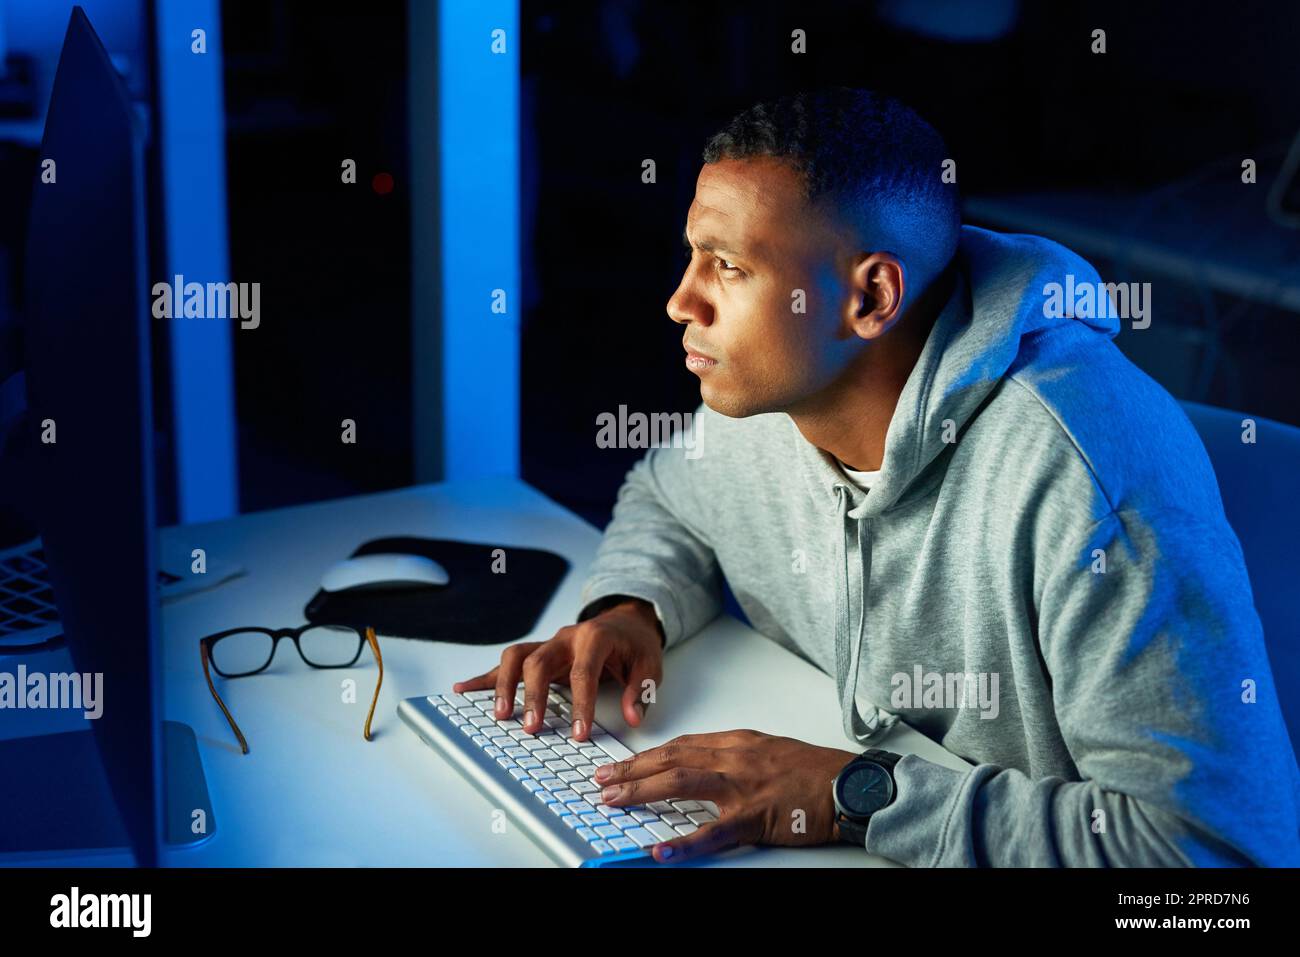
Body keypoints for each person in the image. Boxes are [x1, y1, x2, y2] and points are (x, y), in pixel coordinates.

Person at [456, 88, 1300, 867]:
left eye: (730, 267)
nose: (681, 301)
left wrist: (853, 793)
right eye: (693, 256)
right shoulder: (780, 395)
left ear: (871, 298)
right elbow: (665, 493)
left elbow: (1218, 863)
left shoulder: (1079, 473)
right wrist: (632, 606)